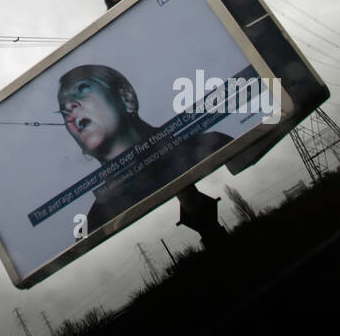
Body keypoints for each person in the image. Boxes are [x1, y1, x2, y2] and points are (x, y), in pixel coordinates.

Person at [56, 63, 231, 232]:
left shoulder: (219, 148)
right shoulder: (96, 225)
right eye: (63, 111)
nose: (69, 108)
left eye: (82, 90)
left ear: (126, 97)